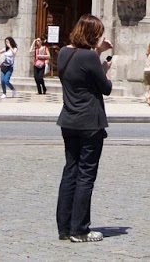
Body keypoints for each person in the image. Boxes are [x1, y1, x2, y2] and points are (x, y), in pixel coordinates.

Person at [55, 13, 112, 243]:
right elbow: (105, 87)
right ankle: (80, 229)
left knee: (71, 172)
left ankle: (65, 227)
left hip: (68, 121)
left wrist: (97, 54)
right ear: (91, 35)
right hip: (89, 123)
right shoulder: (89, 57)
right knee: (86, 176)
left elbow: (80, 72)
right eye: (97, 34)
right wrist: (104, 66)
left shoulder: (63, 54)